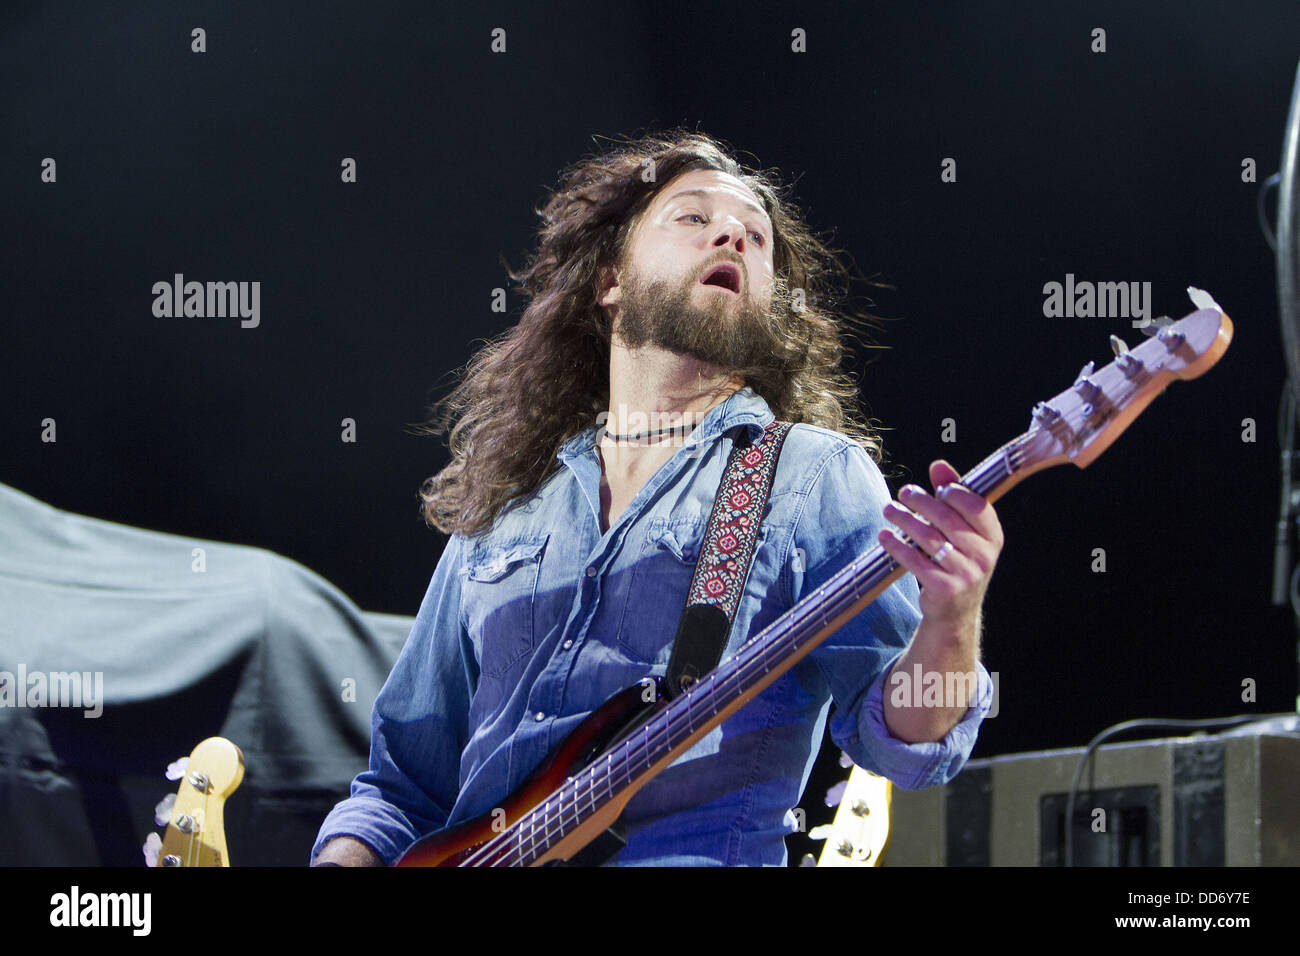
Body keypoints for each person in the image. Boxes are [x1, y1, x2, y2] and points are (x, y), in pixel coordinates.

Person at [310, 130, 1003, 867]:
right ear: (611, 280)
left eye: (757, 238)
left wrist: (954, 617)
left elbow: (905, 746)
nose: (733, 233)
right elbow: (400, 784)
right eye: (693, 217)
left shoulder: (810, 477)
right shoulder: (510, 501)